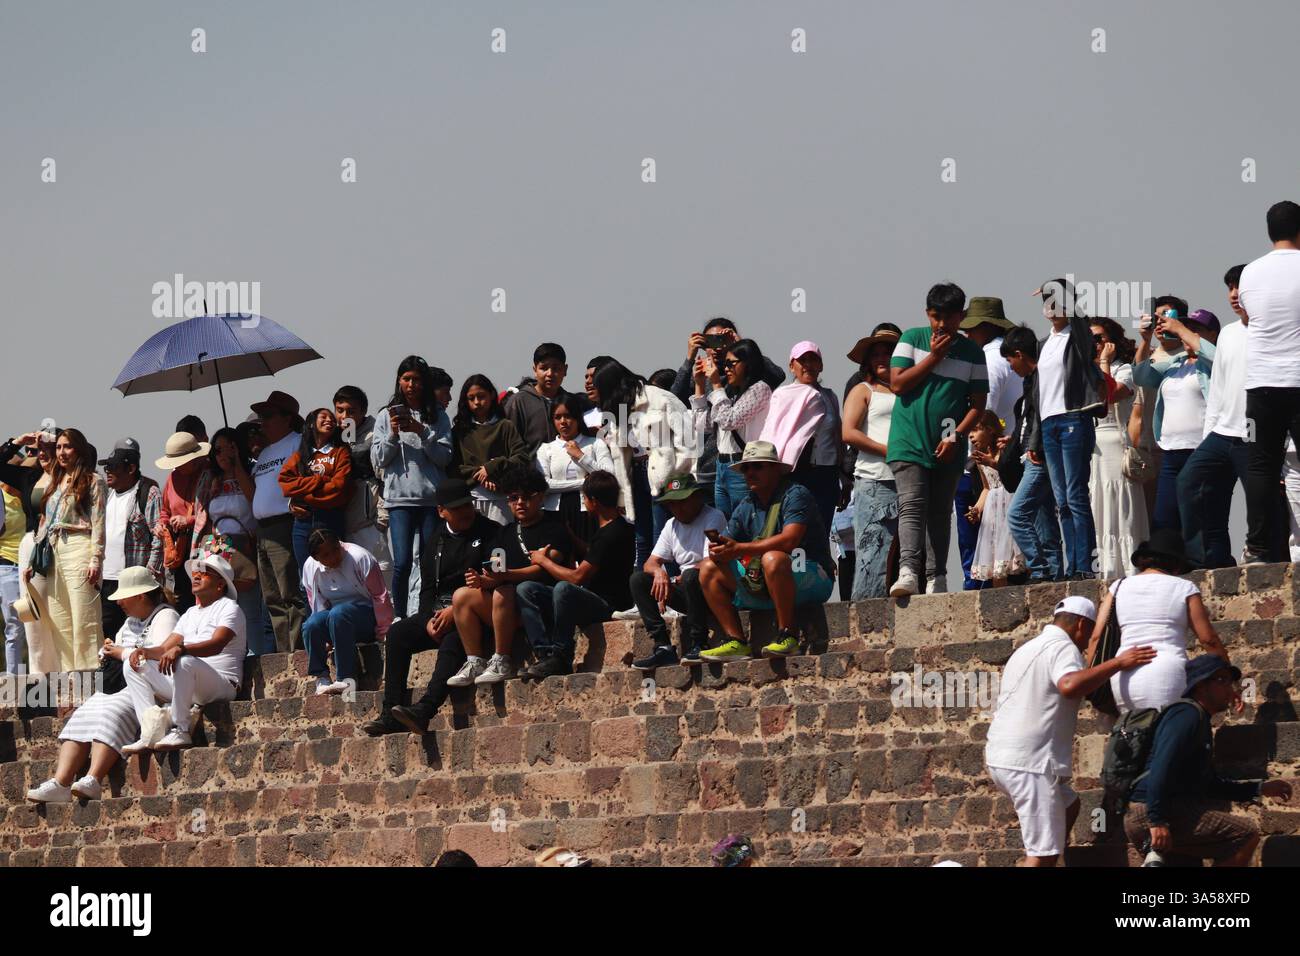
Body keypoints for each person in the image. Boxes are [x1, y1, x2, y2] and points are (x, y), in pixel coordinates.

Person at [984, 596, 1156, 867]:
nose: (1089, 641)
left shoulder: (1030, 647)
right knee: (1042, 855)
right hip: (1031, 763)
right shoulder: (1063, 648)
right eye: (1089, 632)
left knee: (1069, 805)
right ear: (1080, 625)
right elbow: (1069, 684)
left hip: (1003, 757)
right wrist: (1119, 663)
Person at [25, 568, 179, 803]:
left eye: (124, 597)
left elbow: (157, 656)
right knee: (85, 712)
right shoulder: (130, 622)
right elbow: (118, 649)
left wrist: (121, 653)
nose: (119, 603)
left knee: (110, 712)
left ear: (140, 596)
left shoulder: (166, 617)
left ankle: (94, 779)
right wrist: (108, 652)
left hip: (147, 688)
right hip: (119, 685)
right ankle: (60, 782)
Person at [1125, 655, 1294, 867]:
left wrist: (1260, 788)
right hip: (1153, 811)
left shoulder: (1199, 720)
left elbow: (1210, 786)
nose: (1230, 689)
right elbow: (1162, 764)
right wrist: (1156, 820)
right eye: (1222, 680)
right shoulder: (1186, 714)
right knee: (1246, 834)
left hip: (1159, 811)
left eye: (1230, 683)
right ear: (1201, 686)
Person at [361, 479, 500, 737]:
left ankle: (425, 710)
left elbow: (499, 581)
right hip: (440, 610)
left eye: (467, 505)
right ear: (441, 511)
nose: (465, 512)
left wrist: (456, 610)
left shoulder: (491, 532)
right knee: (398, 634)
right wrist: (427, 619)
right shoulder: (436, 540)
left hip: (474, 612)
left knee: (452, 641)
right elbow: (427, 589)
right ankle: (390, 711)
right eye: (457, 508)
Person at [886, 282, 988, 597]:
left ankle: (937, 576)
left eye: (948, 317)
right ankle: (908, 572)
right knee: (912, 505)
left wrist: (956, 436)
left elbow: (978, 405)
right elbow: (898, 384)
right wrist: (933, 357)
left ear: (962, 316)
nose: (941, 324)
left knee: (940, 511)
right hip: (908, 441)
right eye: (935, 316)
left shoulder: (973, 352)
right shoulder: (910, 339)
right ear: (927, 314)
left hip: (949, 444)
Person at [697, 440, 835, 661]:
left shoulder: (795, 494)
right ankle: (736, 641)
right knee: (707, 568)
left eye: (758, 466)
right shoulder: (746, 504)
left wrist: (740, 548)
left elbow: (790, 540)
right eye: (746, 468)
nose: (750, 472)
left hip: (811, 577)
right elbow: (729, 543)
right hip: (766, 581)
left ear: (776, 469)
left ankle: (787, 636)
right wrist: (719, 551)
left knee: (773, 558)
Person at [447, 467, 574, 686]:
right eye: (514, 498)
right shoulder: (504, 533)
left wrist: (505, 576)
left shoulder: (555, 526)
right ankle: (475, 660)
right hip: (510, 609)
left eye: (527, 497)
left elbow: (542, 569)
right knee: (462, 595)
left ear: (541, 497)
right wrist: (484, 580)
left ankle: (502, 660)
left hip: (544, 604)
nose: (520, 503)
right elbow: (498, 571)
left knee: (505, 591)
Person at [1091, 529, 1230, 714]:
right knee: (1166, 735)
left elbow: (1096, 637)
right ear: (1177, 564)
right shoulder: (1185, 588)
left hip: (1124, 676)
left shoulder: (1118, 587)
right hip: (1167, 673)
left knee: (1135, 734)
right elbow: (1208, 640)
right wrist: (1227, 677)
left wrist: (1092, 677)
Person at [515, 470, 636, 680]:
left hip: (609, 605)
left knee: (564, 589)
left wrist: (543, 560)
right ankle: (544, 654)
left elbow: (577, 577)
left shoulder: (613, 532)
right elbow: (596, 554)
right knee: (527, 589)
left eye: (585, 498)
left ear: (593, 501)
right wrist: (571, 538)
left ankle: (562, 655)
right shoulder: (612, 528)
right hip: (595, 597)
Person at [120, 553, 246, 753]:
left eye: (204, 573)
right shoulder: (190, 613)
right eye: (195, 572)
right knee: (133, 665)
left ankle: (181, 728)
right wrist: (142, 651)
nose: (196, 576)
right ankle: (150, 731)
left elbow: (216, 645)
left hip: (222, 683)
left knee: (184, 661)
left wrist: (182, 649)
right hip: (188, 681)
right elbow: (163, 649)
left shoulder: (231, 608)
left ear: (220, 584)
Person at [1175, 268, 1250, 568]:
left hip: (1255, 433)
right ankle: (1204, 559)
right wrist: (1209, 437)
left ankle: (1269, 556)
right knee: (1190, 482)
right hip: (1222, 432)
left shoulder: (1273, 330)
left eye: (1239, 287)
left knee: (1262, 499)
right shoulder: (1230, 334)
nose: (1233, 294)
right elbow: (1218, 389)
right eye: (1229, 288)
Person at [1032, 278, 1107, 581]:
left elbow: (1081, 331)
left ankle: (1084, 565)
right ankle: (1071, 564)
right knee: (1061, 500)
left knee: (1075, 495)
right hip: (1049, 424)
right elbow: (1037, 394)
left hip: (1074, 418)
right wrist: (1034, 439)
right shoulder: (1043, 344)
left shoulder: (1078, 337)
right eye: (1047, 300)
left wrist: (1056, 285)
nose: (1052, 306)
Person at [1238, 201, 1300, 564]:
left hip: (1260, 384)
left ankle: (1258, 547)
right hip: (1297, 377)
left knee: (1261, 464)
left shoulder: (1249, 273)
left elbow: (1248, 316)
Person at [589, 358, 696, 567]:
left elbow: (688, 440)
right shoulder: (619, 408)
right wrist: (622, 496)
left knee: (662, 540)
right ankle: (645, 594)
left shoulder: (660, 398)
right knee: (642, 540)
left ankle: (669, 593)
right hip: (636, 476)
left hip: (664, 477)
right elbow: (620, 456)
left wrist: (678, 479)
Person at [671, 318, 786, 507]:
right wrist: (690, 361)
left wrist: (740, 345)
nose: (717, 348)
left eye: (721, 341)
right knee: (723, 528)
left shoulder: (750, 384)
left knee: (743, 524)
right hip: (709, 467)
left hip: (741, 466)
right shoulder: (711, 375)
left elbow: (776, 375)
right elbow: (675, 400)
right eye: (710, 342)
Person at [371, 356, 454, 619]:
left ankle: (428, 612)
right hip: (399, 501)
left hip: (430, 501)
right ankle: (399, 616)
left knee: (430, 562)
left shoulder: (438, 415)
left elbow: (445, 457)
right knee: (402, 562)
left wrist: (422, 431)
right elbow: (379, 460)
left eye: (417, 379)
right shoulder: (385, 415)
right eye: (406, 378)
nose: (411, 384)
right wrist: (394, 435)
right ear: (399, 381)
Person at [1132, 304, 1218, 534]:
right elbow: (1141, 376)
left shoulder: (1215, 363)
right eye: (1186, 328)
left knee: (1198, 516)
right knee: (1165, 519)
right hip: (1171, 452)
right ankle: (1173, 565)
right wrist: (1145, 339)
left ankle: (1206, 565)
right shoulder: (1175, 363)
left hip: (1201, 451)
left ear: (1213, 336)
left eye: (1196, 330)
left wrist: (1180, 330)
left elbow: (1214, 356)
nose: (1187, 333)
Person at [954, 298, 1022, 590]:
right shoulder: (1004, 358)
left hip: (984, 458)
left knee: (981, 539)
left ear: (983, 326)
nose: (966, 334)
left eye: (970, 328)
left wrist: (972, 453)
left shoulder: (989, 359)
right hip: (1004, 456)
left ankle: (975, 588)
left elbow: (984, 412)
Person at [628, 473, 726, 669]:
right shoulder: (671, 525)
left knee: (691, 575)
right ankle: (662, 646)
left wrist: (674, 579)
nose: (677, 508)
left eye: (682, 502)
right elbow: (650, 563)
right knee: (638, 580)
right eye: (672, 503)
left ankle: (699, 642)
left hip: (713, 589)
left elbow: (712, 560)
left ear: (697, 498)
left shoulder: (713, 517)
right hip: (685, 589)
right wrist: (659, 573)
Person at [33, 428, 106, 672]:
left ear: (80, 449)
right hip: (54, 550)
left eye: (68, 447)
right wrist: (33, 562)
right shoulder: (54, 481)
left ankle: (90, 678)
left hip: (79, 546)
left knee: (84, 618)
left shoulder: (94, 480)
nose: (62, 452)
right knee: (59, 619)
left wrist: (95, 559)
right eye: (59, 447)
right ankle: (69, 679)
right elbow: (45, 522)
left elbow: (99, 523)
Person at [1001, 325, 1065, 584]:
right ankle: (1053, 572)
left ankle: (1039, 570)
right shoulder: (1030, 381)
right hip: (1032, 454)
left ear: (1019, 354)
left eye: (1010, 360)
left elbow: (1042, 416)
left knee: (1017, 515)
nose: (1010, 366)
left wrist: (1034, 446)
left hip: (1037, 457)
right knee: (1044, 519)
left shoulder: (1042, 378)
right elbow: (1028, 420)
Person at [842, 324, 900, 600]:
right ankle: (866, 615)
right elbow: (849, 432)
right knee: (872, 552)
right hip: (875, 479)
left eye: (887, 352)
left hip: (908, 479)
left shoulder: (910, 392)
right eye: (875, 354)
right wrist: (885, 450)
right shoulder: (863, 390)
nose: (881, 358)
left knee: (905, 556)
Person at [761, 341, 843, 532]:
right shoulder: (782, 395)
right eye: (802, 360)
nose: (808, 365)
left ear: (821, 365)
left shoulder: (830, 397)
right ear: (792, 366)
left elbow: (836, 438)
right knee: (796, 530)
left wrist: (843, 480)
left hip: (826, 474)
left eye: (813, 360)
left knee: (821, 530)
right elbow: (773, 433)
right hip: (796, 473)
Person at [300, 528, 393, 696]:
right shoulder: (310, 567)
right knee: (311, 624)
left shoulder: (360, 557)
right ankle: (321, 676)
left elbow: (380, 596)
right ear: (316, 558)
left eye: (336, 550)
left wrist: (384, 631)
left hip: (365, 617)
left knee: (339, 613)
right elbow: (316, 602)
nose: (334, 557)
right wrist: (325, 637)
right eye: (326, 555)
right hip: (335, 620)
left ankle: (346, 678)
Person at [200, 426, 268, 654]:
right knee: (221, 607)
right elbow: (207, 516)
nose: (221, 455)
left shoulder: (251, 473)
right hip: (218, 546)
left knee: (249, 607)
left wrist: (237, 464)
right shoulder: (212, 481)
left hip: (244, 545)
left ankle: (256, 657)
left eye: (227, 449)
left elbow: (253, 500)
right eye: (217, 450)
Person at [249, 391, 308, 651]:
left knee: (290, 592)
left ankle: (298, 649)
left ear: (287, 418)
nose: (263, 422)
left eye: (269, 416)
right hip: (262, 529)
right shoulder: (263, 454)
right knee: (272, 596)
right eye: (261, 416)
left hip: (284, 524)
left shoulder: (298, 442)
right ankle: (285, 652)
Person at [1088, 317, 1147, 577]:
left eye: (1100, 337)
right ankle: (1101, 564)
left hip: (1114, 440)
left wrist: (1104, 364)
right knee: (1095, 501)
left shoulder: (1124, 368)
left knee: (1119, 503)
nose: (1096, 343)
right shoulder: (1083, 371)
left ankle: (1127, 565)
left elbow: (1109, 396)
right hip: (1090, 445)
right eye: (1090, 339)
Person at [691, 338, 773, 521]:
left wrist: (716, 385)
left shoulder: (759, 389)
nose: (726, 369)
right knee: (727, 527)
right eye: (724, 364)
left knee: (746, 523)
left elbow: (730, 420)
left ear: (748, 363)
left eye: (731, 364)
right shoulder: (729, 391)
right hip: (721, 467)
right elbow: (702, 426)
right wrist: (699, 385)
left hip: (743, 467)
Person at [1, 429, 58, 673]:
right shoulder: (29, 478)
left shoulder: (75, 478)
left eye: (46, 449)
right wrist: (16, 443)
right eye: (34, 450)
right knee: (28, 622)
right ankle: (33, 679)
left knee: (58, 620)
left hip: (62, 557)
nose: (39, 453)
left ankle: (63, 676)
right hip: (28, 558)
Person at [97, 438, 162, 641]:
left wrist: (149, 574)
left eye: (114, 467)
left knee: (135, 637)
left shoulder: (148, 493)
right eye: (107, 466)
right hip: (106, 580)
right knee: (108, 635)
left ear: (131, 468)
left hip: (134, 583)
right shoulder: (106, 495)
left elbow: (158, 537)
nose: (108, 471)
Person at [450, 374, 531, 526]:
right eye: (471, 398)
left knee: (500, 545)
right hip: (470, 499)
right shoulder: (459, 431)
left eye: (481, 396)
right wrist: (482, 475)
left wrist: (493, 467)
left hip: (501, 498)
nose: (476, 402)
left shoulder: (505, 426)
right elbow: (454, 467)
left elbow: (521, 458)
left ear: (492, 395)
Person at [279, 407, 353, 573]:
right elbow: (285, 483)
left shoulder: (341, 452)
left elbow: (339, 487)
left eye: (332, 419)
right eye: (324, 417)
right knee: (306, 573)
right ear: (311, 424)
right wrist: (320, 480)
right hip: (302, 521)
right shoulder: (300, 456)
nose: (330, 420)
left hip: (330, 518)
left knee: (335, 569)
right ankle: (312, 601)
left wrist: (305, 496)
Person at [536, 394, 615, 545]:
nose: (563, 422)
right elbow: (543, 485)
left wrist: (581, 456)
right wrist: (583, 483)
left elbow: (609, 476)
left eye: (568, 416)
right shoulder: (546, 448)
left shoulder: (595, 443)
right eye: (557, 417)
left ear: (578, 417)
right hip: (555, 513)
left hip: (589, 512)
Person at [334, 385, 392, 586]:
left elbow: (385, 476)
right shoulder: (334, 437)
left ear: (363, 412)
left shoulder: (375, 435)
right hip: (343, 523)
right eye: (340, 410)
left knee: (380, 578)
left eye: (351, 411)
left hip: (370, 522)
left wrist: (382, 519)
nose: (344, 416)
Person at [154, 430, 211, 613]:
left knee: (205, 589)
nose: (176, 467)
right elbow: (165, 510)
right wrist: (162, 524)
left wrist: (189, 520)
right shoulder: (172, 478)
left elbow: (215, 510)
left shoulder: (209, 474)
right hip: (180, 548)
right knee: (181, 595)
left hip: (206, 544)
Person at [966, 412, 1024, 585]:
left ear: (990, 430)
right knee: (996, 560)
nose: (970, 435)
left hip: (1009, 501)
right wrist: (977, 508)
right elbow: (987, 487)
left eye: (975, 430)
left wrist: (992, 463)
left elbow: (1013, 477)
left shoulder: (1004, 449)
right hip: (993, 509)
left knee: (1013, 553)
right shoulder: (978, 456)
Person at [503, 342, 572, 454]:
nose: (550, 373)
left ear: (565, 370)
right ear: (535, 369)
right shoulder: (519, 402)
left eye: (556, 368)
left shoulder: (571, 402)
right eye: (544, 368)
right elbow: (507, 444)